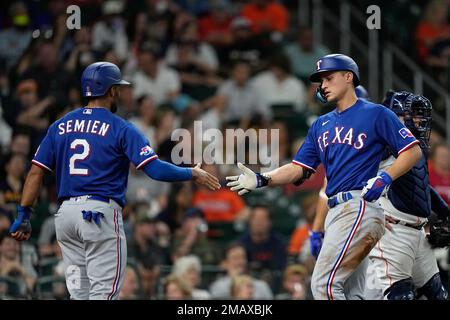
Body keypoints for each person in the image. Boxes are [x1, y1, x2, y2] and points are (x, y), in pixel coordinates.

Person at [9, 61, 221, 300]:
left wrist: (23, 215)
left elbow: (36, 172)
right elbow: (154, 169)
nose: (120, 92)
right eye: (118, 87)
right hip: (98, 215)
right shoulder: (120, 127)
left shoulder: (60, 125)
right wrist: (191, 172)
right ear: (111, 90)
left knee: (80, 296)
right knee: (104, 295)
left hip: (66, 217)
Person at [226, 53, 422, 300]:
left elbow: (412, 151)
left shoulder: (376, 114)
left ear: (348, 77)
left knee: (323, 285)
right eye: (321, 81)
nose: (324, 85)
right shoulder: (321, 124)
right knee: (352, 292)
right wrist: (263, 178)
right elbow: (298, 167)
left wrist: (387, 177)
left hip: (358, 206)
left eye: (329, 78)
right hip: (337, 212)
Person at [368, 91, 449, 300]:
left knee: (438, 294)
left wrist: (445, 213)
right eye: (412, 114)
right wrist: (370, 214)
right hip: (394, 232)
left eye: (420, 114)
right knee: (401, 296)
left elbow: (422, 187)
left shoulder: (416, 145)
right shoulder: (381, 145)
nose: (419, 120)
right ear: (393, 118)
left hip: (419, 232)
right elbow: (355, 182)